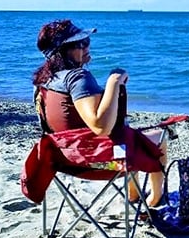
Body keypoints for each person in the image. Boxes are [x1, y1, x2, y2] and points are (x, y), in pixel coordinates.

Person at [32, 19, 166, 207]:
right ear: (63, 51)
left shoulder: (45, 81)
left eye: (86, 40)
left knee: (130, 137)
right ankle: (155, 199)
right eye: (81, 43)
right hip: (96, 162)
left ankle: (134, 195)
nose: (87, 46)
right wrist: (114, 81)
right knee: (159, 136)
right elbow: (100, 126)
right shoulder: (77, 78)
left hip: (63, 159)